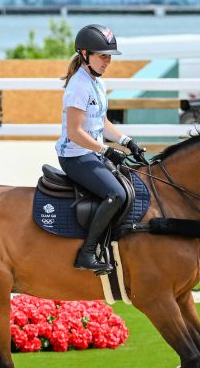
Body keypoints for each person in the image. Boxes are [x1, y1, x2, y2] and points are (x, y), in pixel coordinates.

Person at [55, 24, 148, 274]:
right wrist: (106, 151)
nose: (107, 61)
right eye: (102, 55)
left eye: (109, 56)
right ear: (85, 54)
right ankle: (87, 252)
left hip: (91, 151)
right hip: (75, 155)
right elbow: (75, 132)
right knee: (116, 194)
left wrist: (128, 142)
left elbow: (102, 123)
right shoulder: (78, 86)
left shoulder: (97, 83)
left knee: (133, 183)